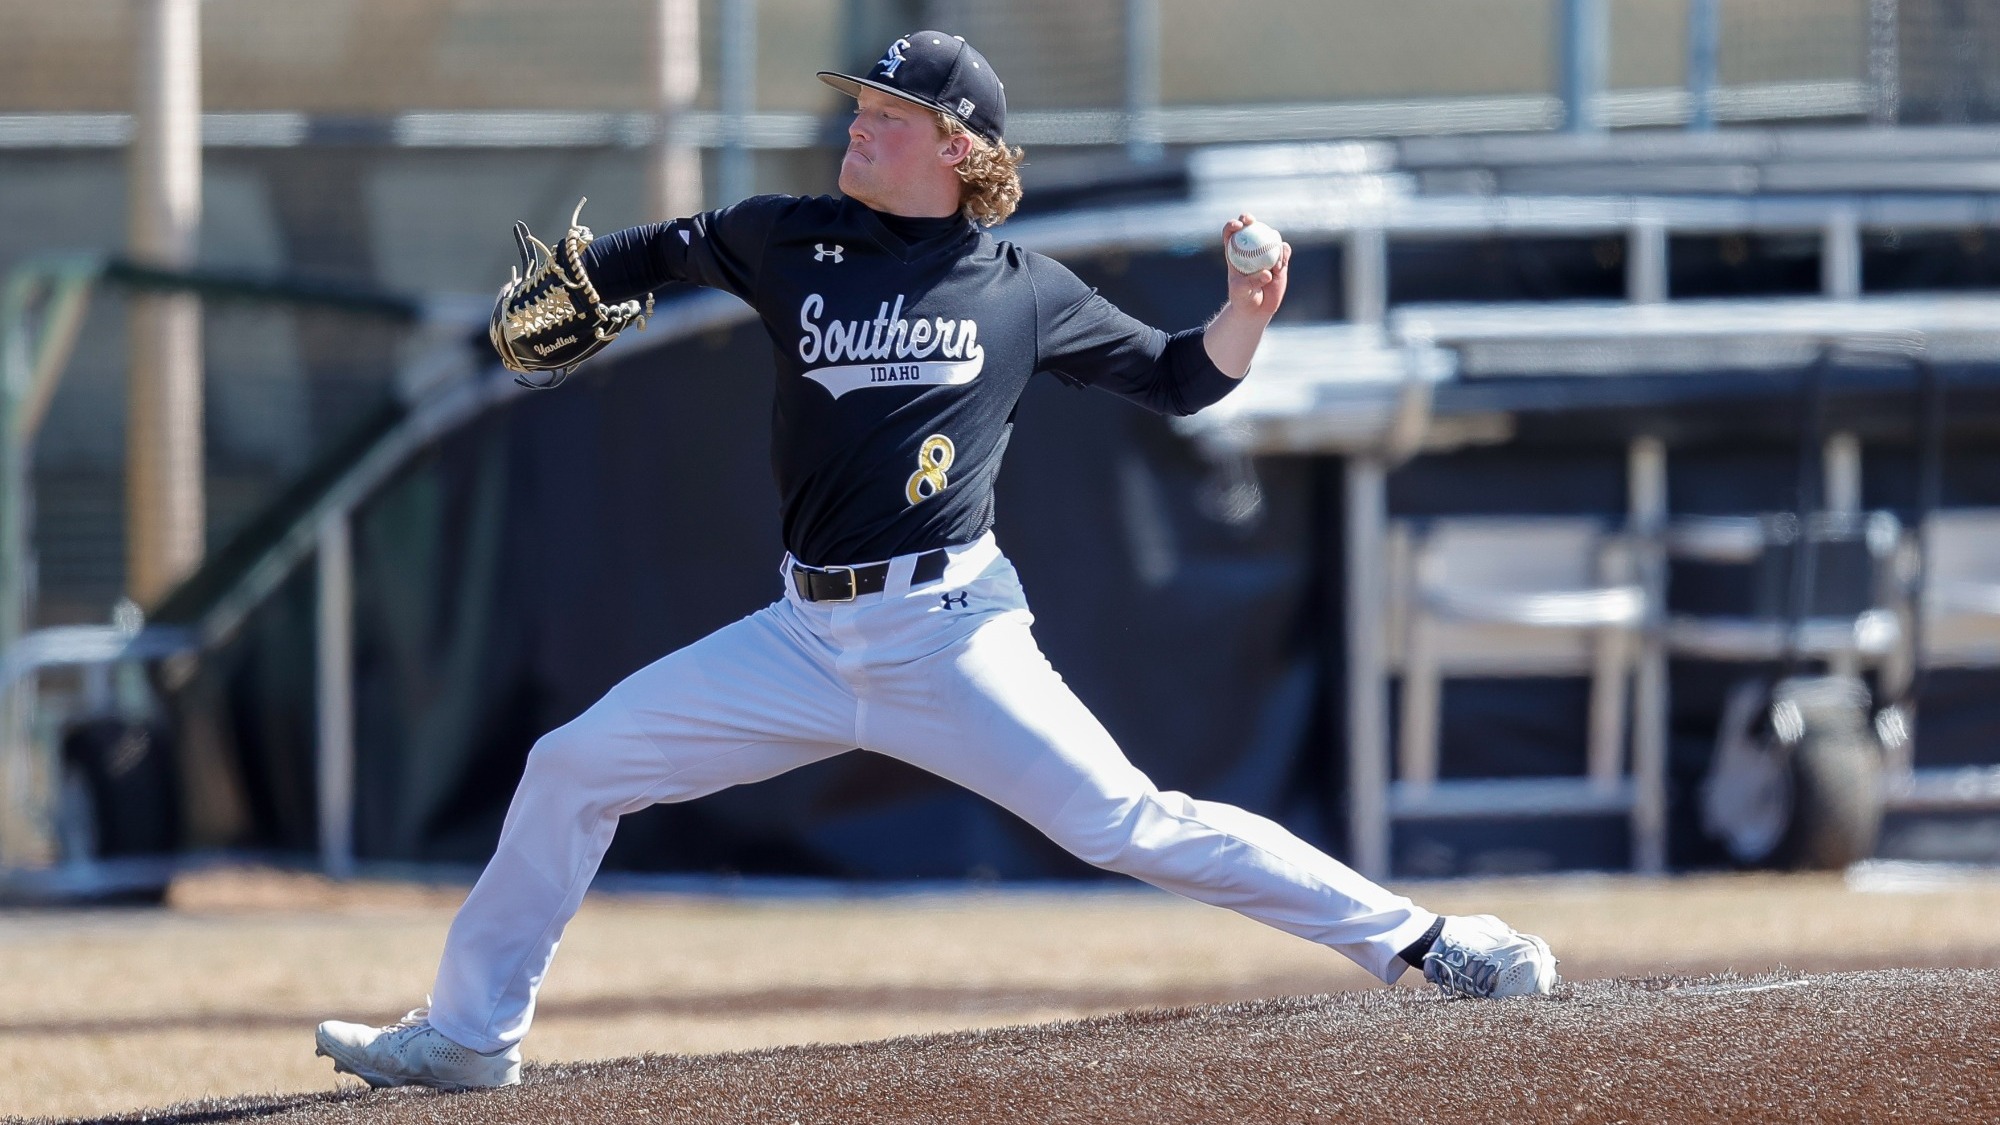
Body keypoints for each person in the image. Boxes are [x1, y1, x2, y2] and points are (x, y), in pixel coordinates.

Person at [315, 30, 1558, 1092]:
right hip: (800, 638)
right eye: (858, 106)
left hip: (950, 636)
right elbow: (665, 245)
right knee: (571, 765)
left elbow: (1181, 381)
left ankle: (1428, 941)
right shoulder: (785, 239)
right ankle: (474, 1036)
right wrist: (595, 279)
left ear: (958, 146)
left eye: (884, 114)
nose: (854, 128)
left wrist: (1248, 313)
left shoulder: (1019, 287)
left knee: (1131, 823)